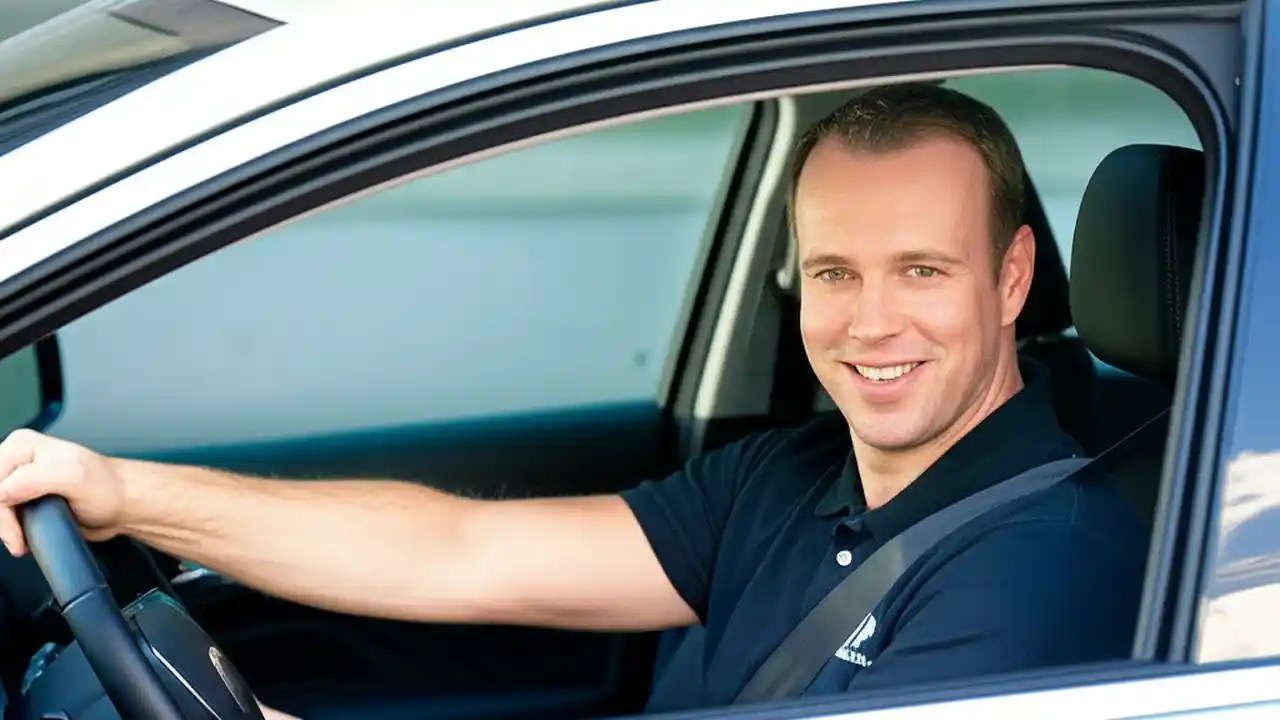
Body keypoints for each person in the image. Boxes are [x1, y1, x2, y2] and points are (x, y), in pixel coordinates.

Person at [0, 84, 1145, 715]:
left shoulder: (1045, 563)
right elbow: (460, 552)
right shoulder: (792, 474)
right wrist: (121, 492)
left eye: (921, 271)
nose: (868, 322)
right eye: (835, 272)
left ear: (1009, 278)